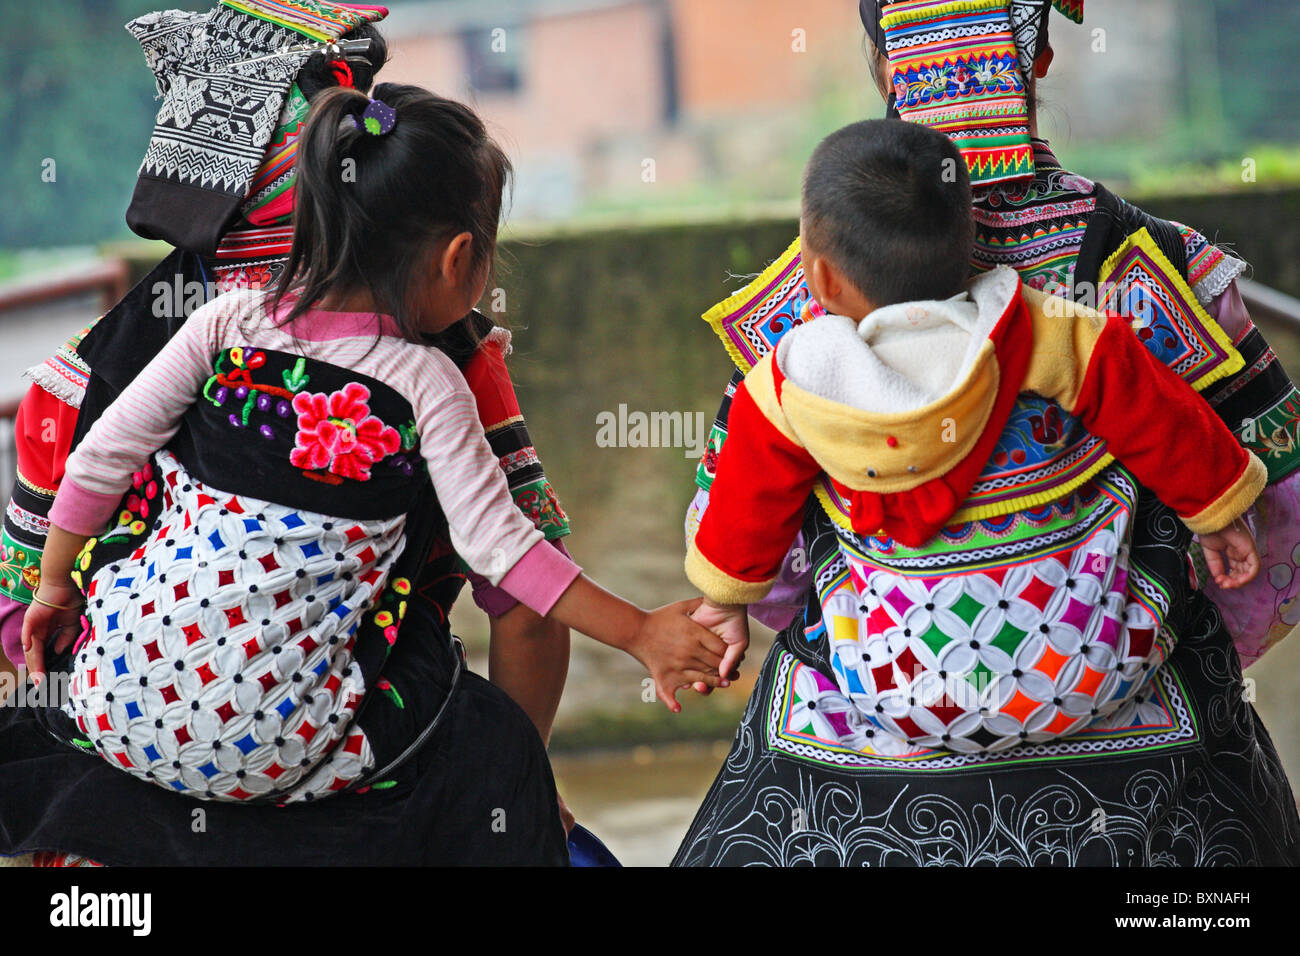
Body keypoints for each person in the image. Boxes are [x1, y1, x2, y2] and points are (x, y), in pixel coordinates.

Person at [1, 81, 727, 866]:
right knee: (488, 744)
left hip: (107, 710)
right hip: (286, 751)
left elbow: (98, 463)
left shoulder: (184, 332)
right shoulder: (434, 379)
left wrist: (51, 591)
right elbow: (513, 572)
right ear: (458, 258)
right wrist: (642, 632)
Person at [675, 0, 1300, 866]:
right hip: (1151, 788)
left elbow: (752, 558)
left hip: (856, 786)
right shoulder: (1156, 274)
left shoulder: (801, 313)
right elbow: (1280, 531)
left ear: (886, 62)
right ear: (1037, 58)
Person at [690, 119, 1266, 678]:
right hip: (1093, 661)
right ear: (971, 242)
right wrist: (1215, 511)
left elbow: (749, 493)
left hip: (889, 675)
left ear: (820, 278)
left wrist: (724, 601)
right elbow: (1146, 400)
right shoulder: (1034, 330)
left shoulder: (794, 375)